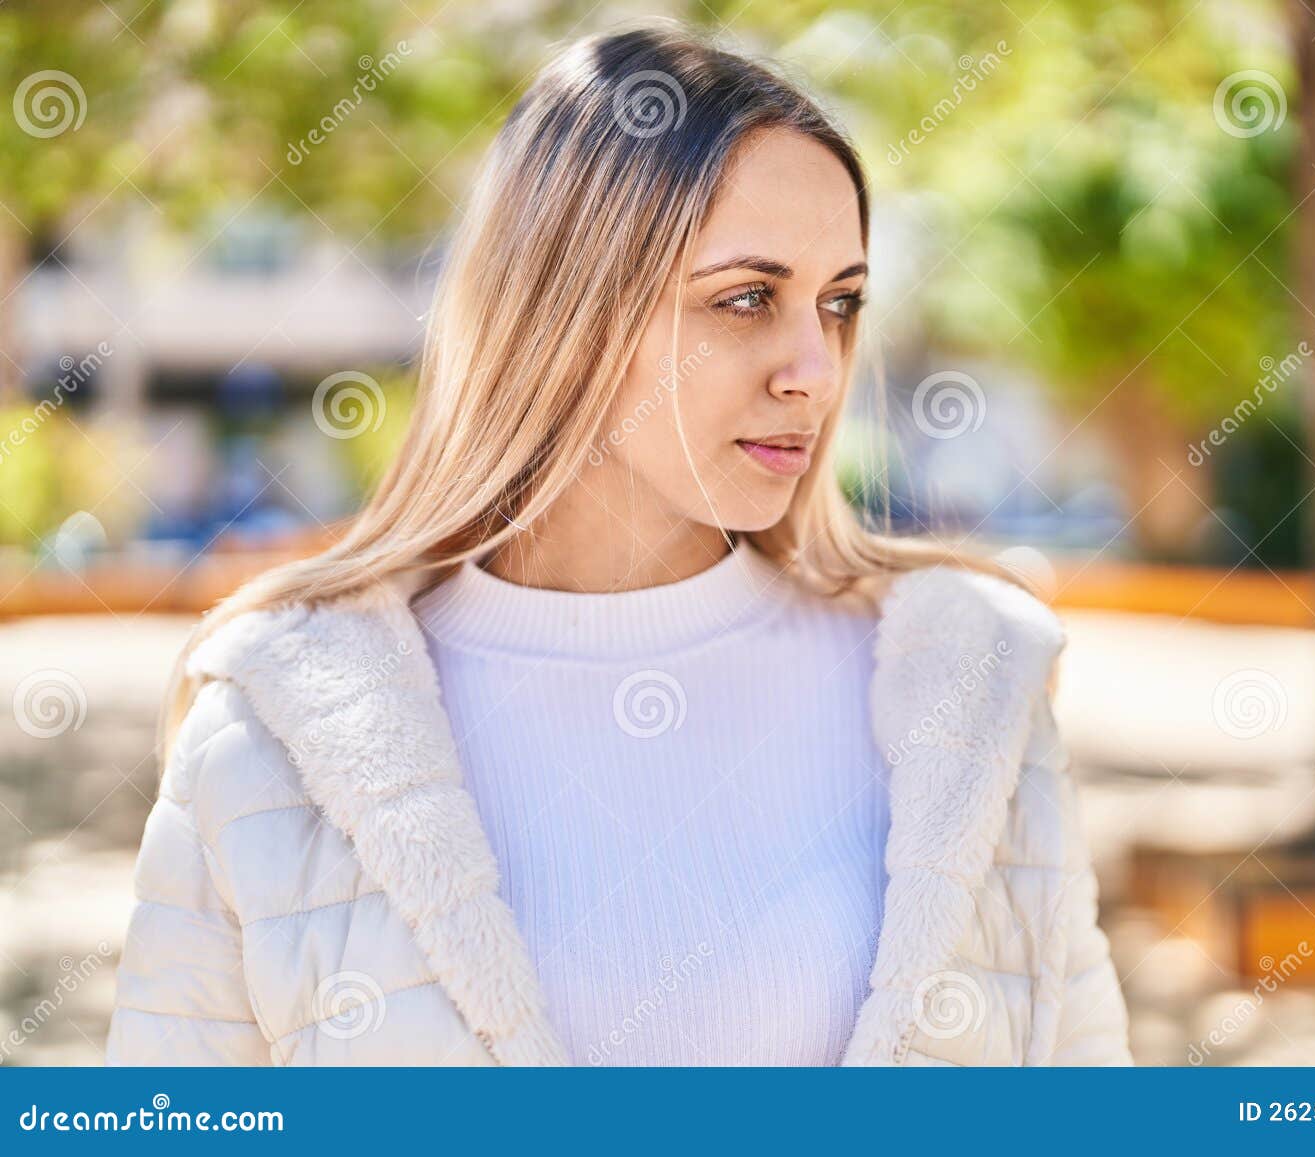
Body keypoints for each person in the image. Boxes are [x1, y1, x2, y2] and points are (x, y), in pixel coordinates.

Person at [104, 22, 1132, 1067]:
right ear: (569, 307)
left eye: (838, 303)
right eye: (745, 298)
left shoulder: (972, 693)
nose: (816, 370)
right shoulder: (276, 721)